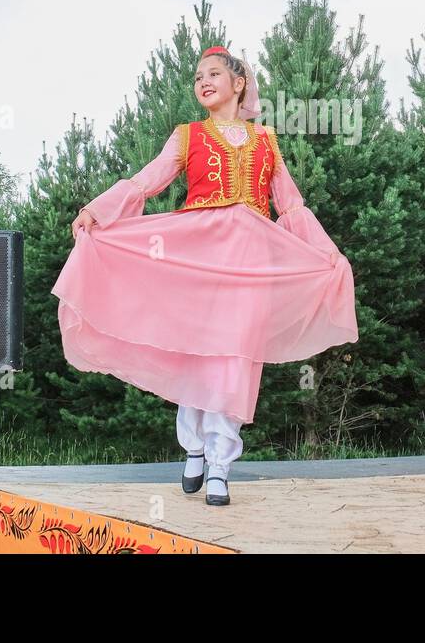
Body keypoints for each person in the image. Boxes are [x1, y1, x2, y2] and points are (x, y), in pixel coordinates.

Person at [51, 45, 358, 505]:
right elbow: (147, 180)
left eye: (214, 74)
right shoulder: (187, 136)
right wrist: (98, 211)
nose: (203, 82)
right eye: (197, 78)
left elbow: (290, 205)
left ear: (239, 84)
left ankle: (220, 464)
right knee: (196, 353)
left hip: (250, 263)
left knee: (235, 357)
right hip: (198, 257)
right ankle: (193, 447)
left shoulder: (266, 140)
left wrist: (325, 252)